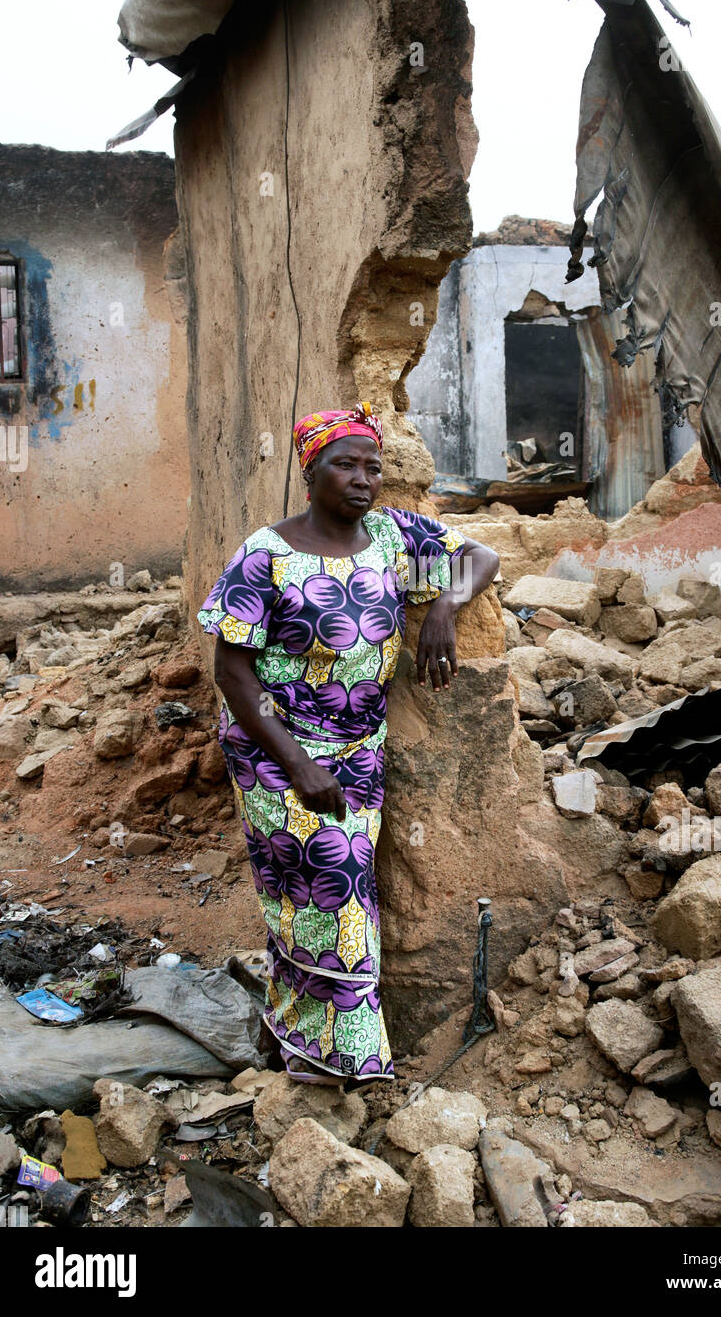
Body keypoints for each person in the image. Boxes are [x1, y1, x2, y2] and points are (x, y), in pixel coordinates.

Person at [197, 402, 499, 1086]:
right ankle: (338, 1062)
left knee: (323, 899)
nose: (364, 479)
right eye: (346, 465)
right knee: (329, 895)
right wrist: (297, 764)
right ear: (312, 471)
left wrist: (445, 607)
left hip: (360, 752)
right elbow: (231, 673)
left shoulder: (393, 538)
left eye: (373, 466)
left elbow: (483, 556)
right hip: (276, 752)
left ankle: (296, 1032)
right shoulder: (264, 556)